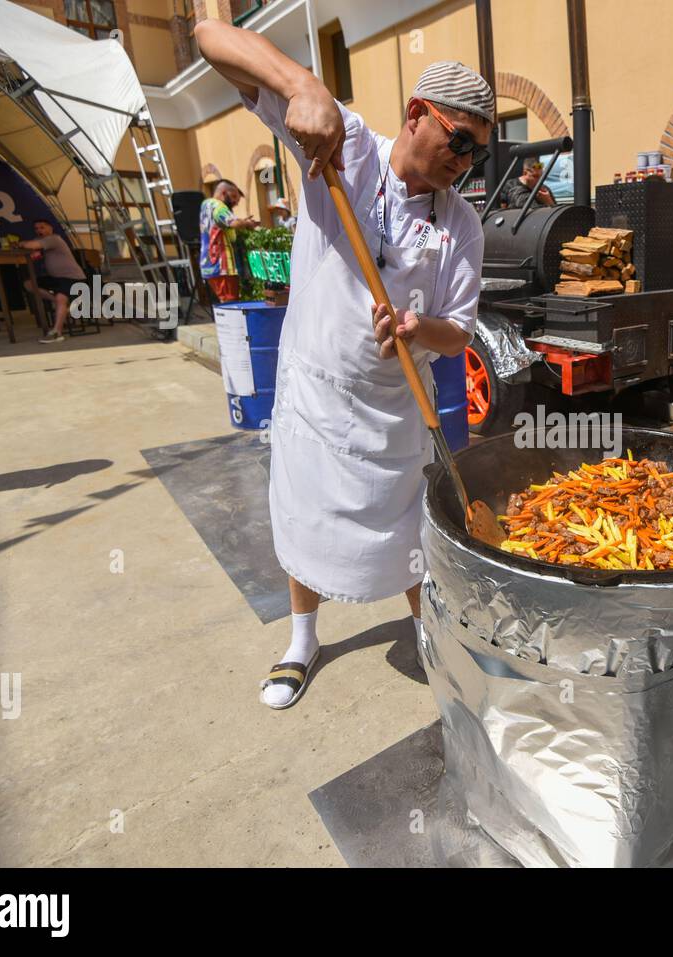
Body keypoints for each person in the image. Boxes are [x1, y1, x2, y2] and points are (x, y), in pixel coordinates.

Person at [194, 20, 489, 709]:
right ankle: (302, 638)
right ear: (417, 115)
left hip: (394, 405)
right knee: (304, 519)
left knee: (408, 528)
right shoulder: (344, 146)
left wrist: (422, 326)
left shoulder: (461, 226)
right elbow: (210, 35)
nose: (465, 160)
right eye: (460, 140)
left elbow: (459, 335)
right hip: (316, 391)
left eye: (477, 151)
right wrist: (303, 85)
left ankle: (430, 634)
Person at [19, 219, 87, 344]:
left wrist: (22, 243)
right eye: (37, 228)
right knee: (29, 284)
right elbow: (34, 249)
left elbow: (31, 245)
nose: (39, 230)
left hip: (72, 278)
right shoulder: (44, 242)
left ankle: (57, 332)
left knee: (61, 298)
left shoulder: (54, 239)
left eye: (42, 227)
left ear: (50, 228)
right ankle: (59, 304)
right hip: (56, 278)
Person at [199, 179, 259, 303]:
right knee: (230, 303)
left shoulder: (205, 204)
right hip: (222, 266)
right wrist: (246, 223)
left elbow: (221, 225)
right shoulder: (219, 206)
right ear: (224, 193)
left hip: (209, 264)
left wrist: (241, 222)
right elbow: (233, 223)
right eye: (234, 197)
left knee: (225, 302)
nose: (236, 202)